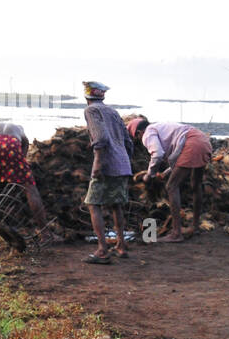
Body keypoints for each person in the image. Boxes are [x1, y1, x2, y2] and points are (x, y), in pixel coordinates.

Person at [125, 115, 212, 243]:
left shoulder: (148, 133)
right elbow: (178, 157)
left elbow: (158, 154)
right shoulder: (160, 127)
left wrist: (149, 175)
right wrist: (165, 173)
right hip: (202, 140)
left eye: (137, 137)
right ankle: (195, 227)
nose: (140, 140)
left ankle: (176, 233)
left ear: (139, 133)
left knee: (171, 186)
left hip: (191, 143)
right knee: (196, 184)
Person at [0, 121, 50, 250]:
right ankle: (45, 232)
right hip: (11, 146)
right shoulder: (20, 130)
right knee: (30, 187)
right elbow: (21, 158)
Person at [82, 80, 133, 264]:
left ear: (87, 96)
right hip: (122, 163)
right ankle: (121, 246)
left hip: (107, 164)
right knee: (116, 205)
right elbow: (128, 140)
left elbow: (101, 137)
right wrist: (126, 159)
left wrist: (97, 163)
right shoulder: (112, 111)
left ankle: (102, 250)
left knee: (93, 203)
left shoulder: (91, 110)